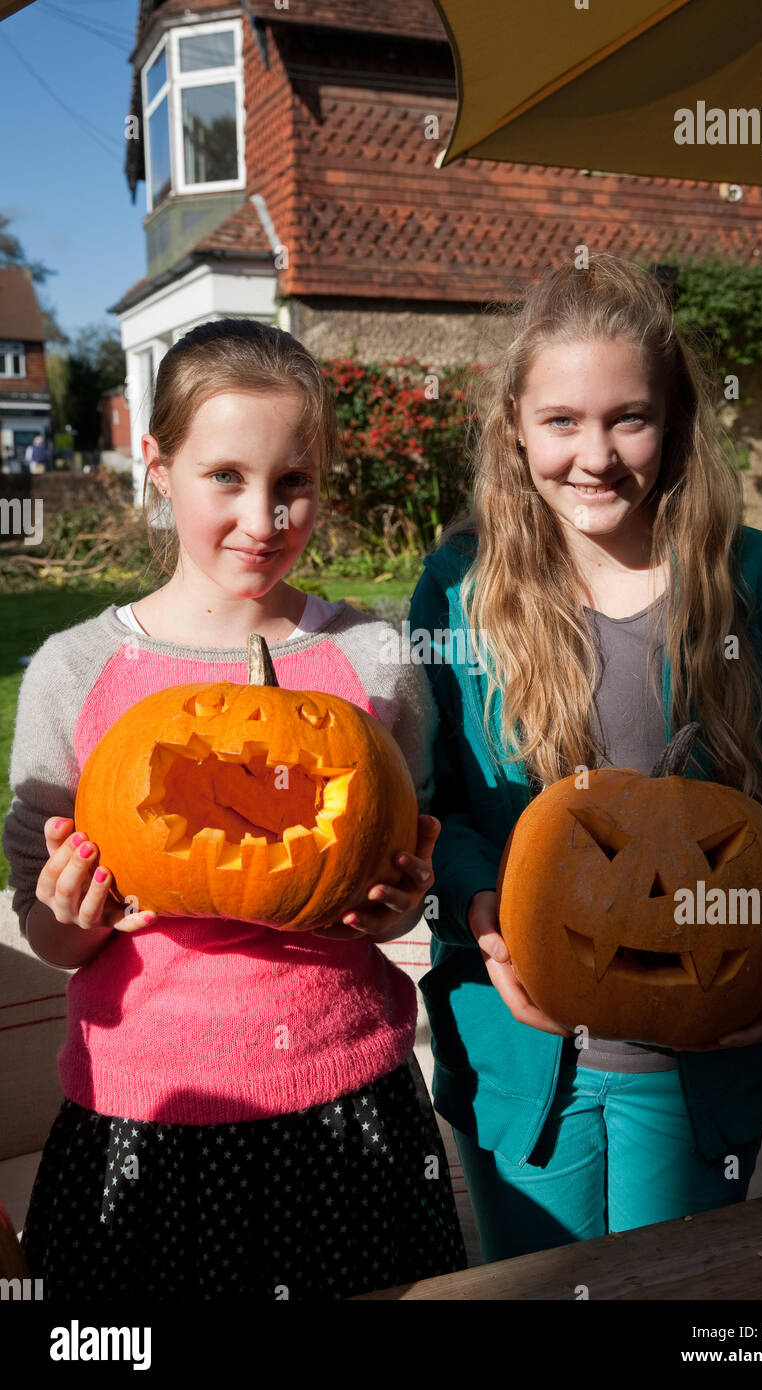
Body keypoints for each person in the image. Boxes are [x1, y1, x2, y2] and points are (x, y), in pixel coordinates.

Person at [2, 318, 466, 1301]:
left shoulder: (374, 661)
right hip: (143, 1113)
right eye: (225, 477)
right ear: (157, 465)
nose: (262, 518)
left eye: (291, 482)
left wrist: (394, 910)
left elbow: (395, 878)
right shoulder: (75, 671)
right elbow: (39, 920)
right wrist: (66, 918)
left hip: (349, 1102)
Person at [408, 253, 762, 1264]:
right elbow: (434, 810)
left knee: (674, 1295)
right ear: (513, 427)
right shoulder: (456, 591)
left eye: (627, 418)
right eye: (561, 420)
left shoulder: (760, 587)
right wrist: (481, 904)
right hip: (517, 1055)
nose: (593, 455)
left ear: (676, 422)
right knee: (533, 1288)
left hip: (701, 1057)